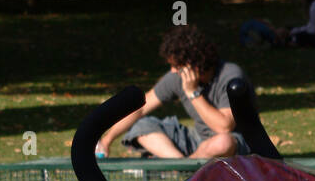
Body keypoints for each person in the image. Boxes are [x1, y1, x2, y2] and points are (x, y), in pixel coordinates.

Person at [96, 26, 250, 159]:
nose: (172, 70)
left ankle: (185, 166)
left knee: (223, 142)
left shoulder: (230, 75)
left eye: (177, 66)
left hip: (235, 143)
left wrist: (193, 92)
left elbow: (224, 127)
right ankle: (184, 164)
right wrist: (107, 140)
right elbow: (141, 107)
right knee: (141, 125)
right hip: (196, 141)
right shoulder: (176, 77)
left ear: (194, 64)